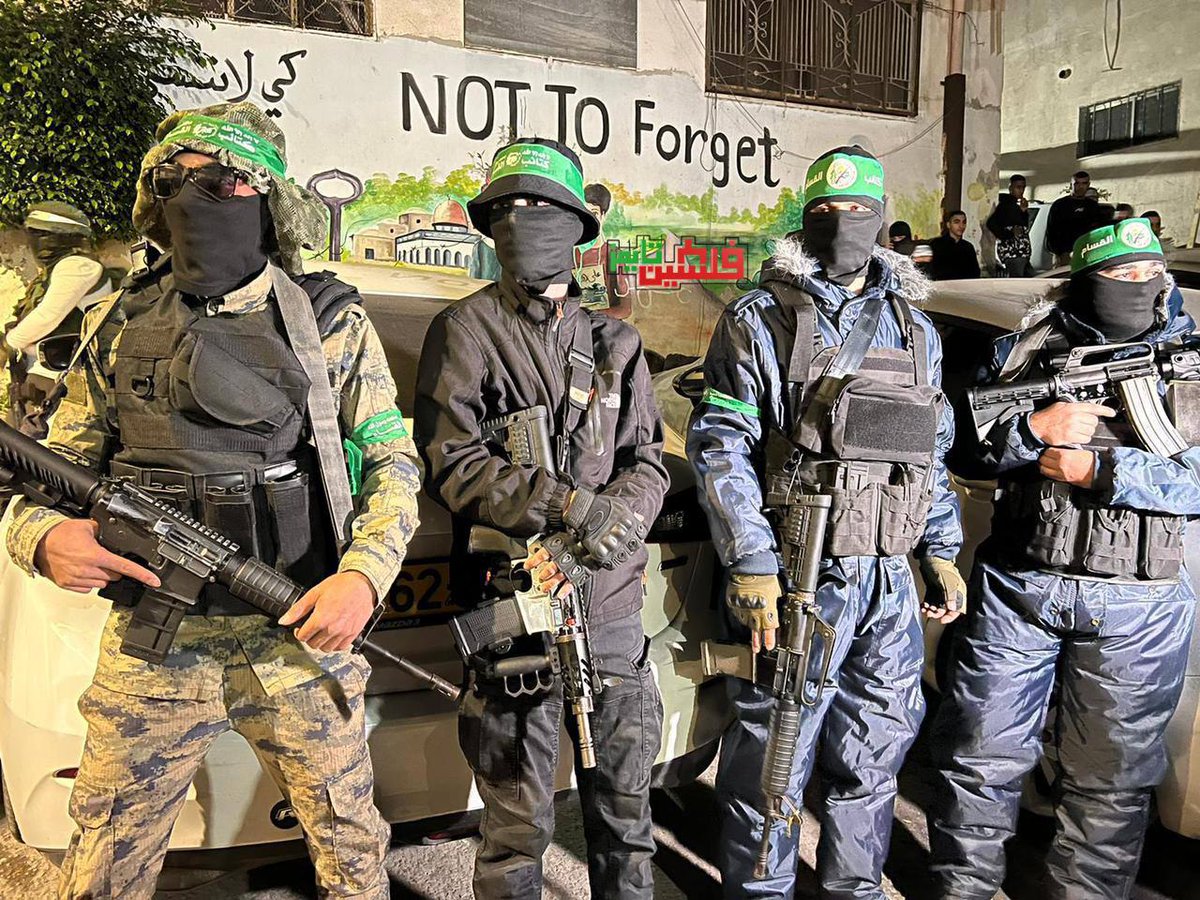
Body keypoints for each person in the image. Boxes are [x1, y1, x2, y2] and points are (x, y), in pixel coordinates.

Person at [5, 101, 421, 899]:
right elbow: (52, 464)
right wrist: (40, 538)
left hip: (297, 638)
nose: (197, 197)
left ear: (269, 200)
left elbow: (391, 461)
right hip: (155, 646)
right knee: (103, 863)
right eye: (174, 180)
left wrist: (363, 577)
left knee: (353, 856)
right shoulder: (123, 320)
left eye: (228, 181)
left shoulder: (325, 320)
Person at [687, 145, 966, 898]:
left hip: (888, 581)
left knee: (873, 760)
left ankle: (855, 888)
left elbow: (928, 454)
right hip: (801, 574)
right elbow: (721, 446)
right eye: (826, 213)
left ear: (881, 221)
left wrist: (941, 549)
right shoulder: (762, 317)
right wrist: (751, 562)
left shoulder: (913, 328)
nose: (843, 225)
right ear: (805, 220)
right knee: (772, 760)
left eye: (859, 212)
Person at [414, 137, 668, 900]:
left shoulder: (617, 344)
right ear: (490, 226)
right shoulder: (464, 331)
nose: (528, 222)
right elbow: (452, 462)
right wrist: (563, 506)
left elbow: (649, 462)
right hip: (512, 610)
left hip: (612, 612)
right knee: (515, 829)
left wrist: (606, 527)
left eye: (547, 209)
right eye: (512, 210)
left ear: (577, 226)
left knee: (625, 819)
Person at [929, 218, 1198, 899]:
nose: (1137, 287)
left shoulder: (1189, 361)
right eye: (1119, 276)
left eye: (1147, 273)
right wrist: (1030, 430)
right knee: (977, 763)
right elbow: (957, 446)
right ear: (1083, 282)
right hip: (1022, 584)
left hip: (1140, 602)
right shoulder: (1025, 350)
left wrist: (1103, 472)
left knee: (1111, 787)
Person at [1, 202, 119, 433]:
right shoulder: (56, 271)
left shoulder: (77, 265)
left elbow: (49, 316)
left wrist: (8, 344)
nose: (36, 243)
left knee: (40, 455)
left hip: (63, 379)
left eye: (41, 235)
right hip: (44, 377)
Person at [573, 182, 633, 317]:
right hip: (573, 329)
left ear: (603, 216)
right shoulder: (568, 253)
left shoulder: (615, 254)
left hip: (605, 327)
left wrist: (592, 317)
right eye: (585, 213)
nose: (589, 220)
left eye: (594, 213)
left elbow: (625, 309)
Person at [1047, 171, 1102, 264]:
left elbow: (1097, 230)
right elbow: (1051, 231)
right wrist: (1060, 253)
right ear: (1071, 185)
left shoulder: (1093, 206)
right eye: (1077, 183)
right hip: (1064, 255)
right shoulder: (1060, 205)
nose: (1080, 187)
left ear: (1088, 184)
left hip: (1087, 253)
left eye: (1084, 183)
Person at [987, 174, 1033, 277]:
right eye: (1018, 187)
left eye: (1023, 187)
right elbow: (991, 223)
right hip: (1013, 254)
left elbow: (1023, 226)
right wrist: (1008, 234)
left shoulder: (1016, 205)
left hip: (1022, 253)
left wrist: (1023, 212)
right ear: (1010, 188)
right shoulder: (1005, 205)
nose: (1021, 191)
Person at [929, 209, 981, 280]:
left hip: (965, 287)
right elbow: (931, 271)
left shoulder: (968, 247)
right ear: (948, 225)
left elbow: (975, 272)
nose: (961, 226)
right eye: (957, 222)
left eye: (964, 222)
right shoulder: (936, 244)